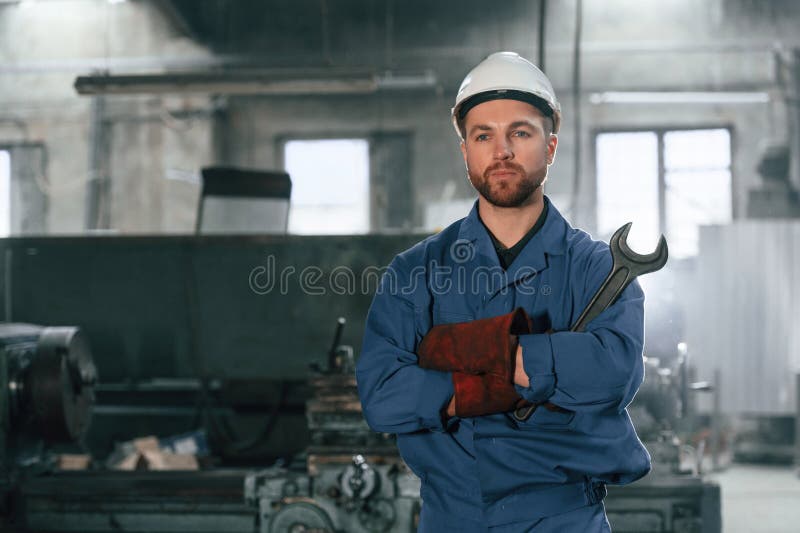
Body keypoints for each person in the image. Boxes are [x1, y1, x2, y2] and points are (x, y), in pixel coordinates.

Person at [356, 51, 650, 532]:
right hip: (451, 518)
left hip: (563, 518)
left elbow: (613, 373)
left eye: (520, 132)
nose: (502, 151)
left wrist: (453, 366)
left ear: (550, 146)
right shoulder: (415, 271)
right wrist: (541, 366)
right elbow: (383, 396)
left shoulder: (599, 267)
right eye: (483, 135)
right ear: (466, 151)